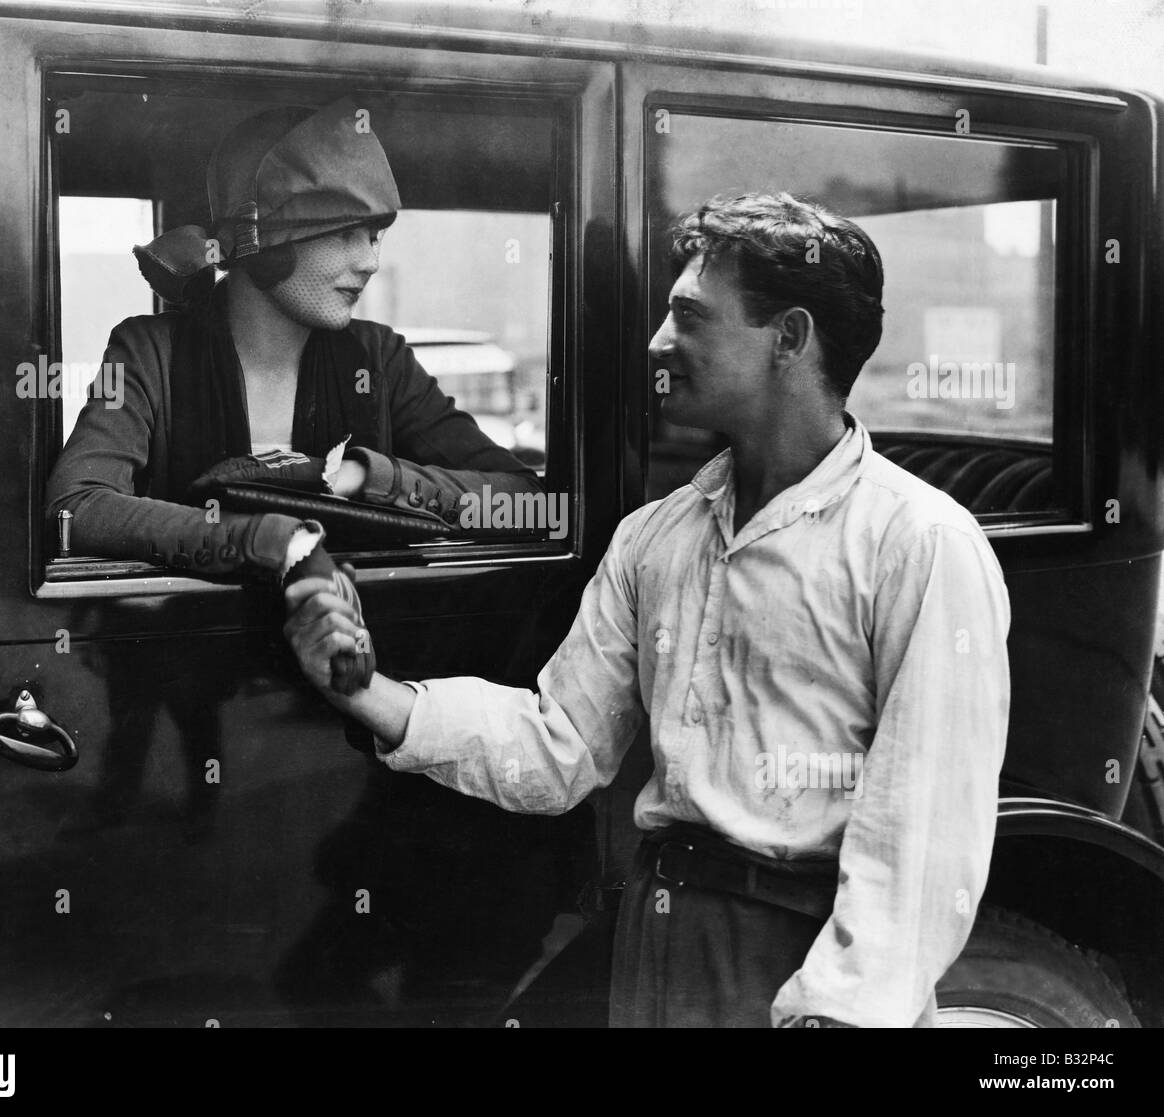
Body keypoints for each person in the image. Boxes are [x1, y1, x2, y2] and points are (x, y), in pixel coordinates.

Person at [284, 191, 1012, 1028]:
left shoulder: (920, 543)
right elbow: (559, 745)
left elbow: (922, 834)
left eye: (691, 316)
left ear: (790, 339)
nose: (659, 342)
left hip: (800, 966)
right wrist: (369, 692)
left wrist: (838, 1011)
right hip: (656, 940)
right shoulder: (657, 537)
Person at [45, 97, 543, 579]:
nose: (370, 262)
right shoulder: (148, 354)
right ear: (261, 241)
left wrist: (368, 477)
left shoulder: (381, 359)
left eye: (374, 237)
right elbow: (78, 506)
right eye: (345, 233)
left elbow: (525, 502)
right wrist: (267, 543)